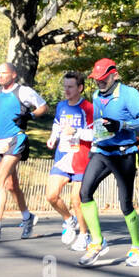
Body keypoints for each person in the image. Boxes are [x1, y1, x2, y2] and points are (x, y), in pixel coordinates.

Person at [75, 59, 139, 266]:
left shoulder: (129, 94)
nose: (99, 83)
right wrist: (94, 143)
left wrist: (122, 125)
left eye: (103, 79)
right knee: (85, 193)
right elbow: (100, 126)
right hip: (101, 152)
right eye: (96, 79)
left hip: (124, 153)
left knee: (125, 204)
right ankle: (97, 242)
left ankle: (137, 246)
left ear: (114, 75)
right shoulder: (96, 96)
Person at [0, 62, 48, 241]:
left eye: (4, 73)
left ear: (13, 75)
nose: (1, 76)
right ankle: (28, 217)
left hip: (16, 140)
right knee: (11, 185)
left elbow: (43, 106)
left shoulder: (24, 92)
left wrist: (30, 115)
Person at [46, 70, 94, 247]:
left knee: (76, 199)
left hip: (81, 157)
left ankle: (84, 235)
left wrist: (77, 132)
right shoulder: (61, 106)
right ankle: (69, 219)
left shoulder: (88, 108)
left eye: (70, 87)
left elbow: (95, 134)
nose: (66, 90)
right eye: (65, 86)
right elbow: (57, 124)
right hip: (63, 155)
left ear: (80, 88)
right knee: (51, 195)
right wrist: (53, 137)